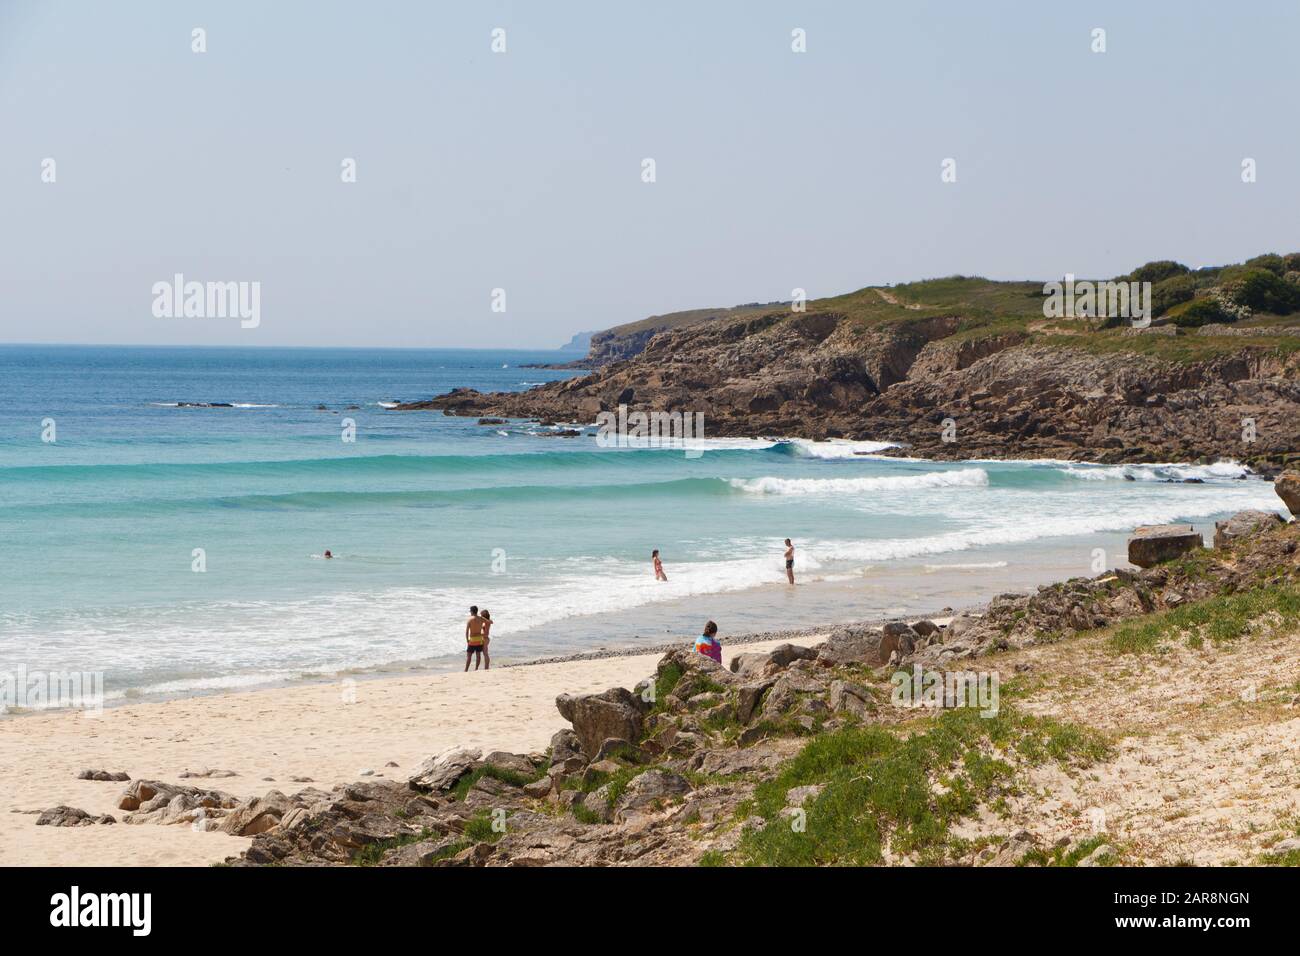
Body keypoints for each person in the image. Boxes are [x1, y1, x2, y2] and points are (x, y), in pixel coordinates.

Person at [465, 606, 486, 671]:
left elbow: (467, 632)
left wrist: (467, 640)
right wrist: (484, 631)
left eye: (470, 611)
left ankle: (466, 670)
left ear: (472, 611)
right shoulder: (481, 618)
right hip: (479, 639)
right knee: (478, 655)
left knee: (469, 656)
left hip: (472, 640)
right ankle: (476, 669)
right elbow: (489, 622)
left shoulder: (470, 620)